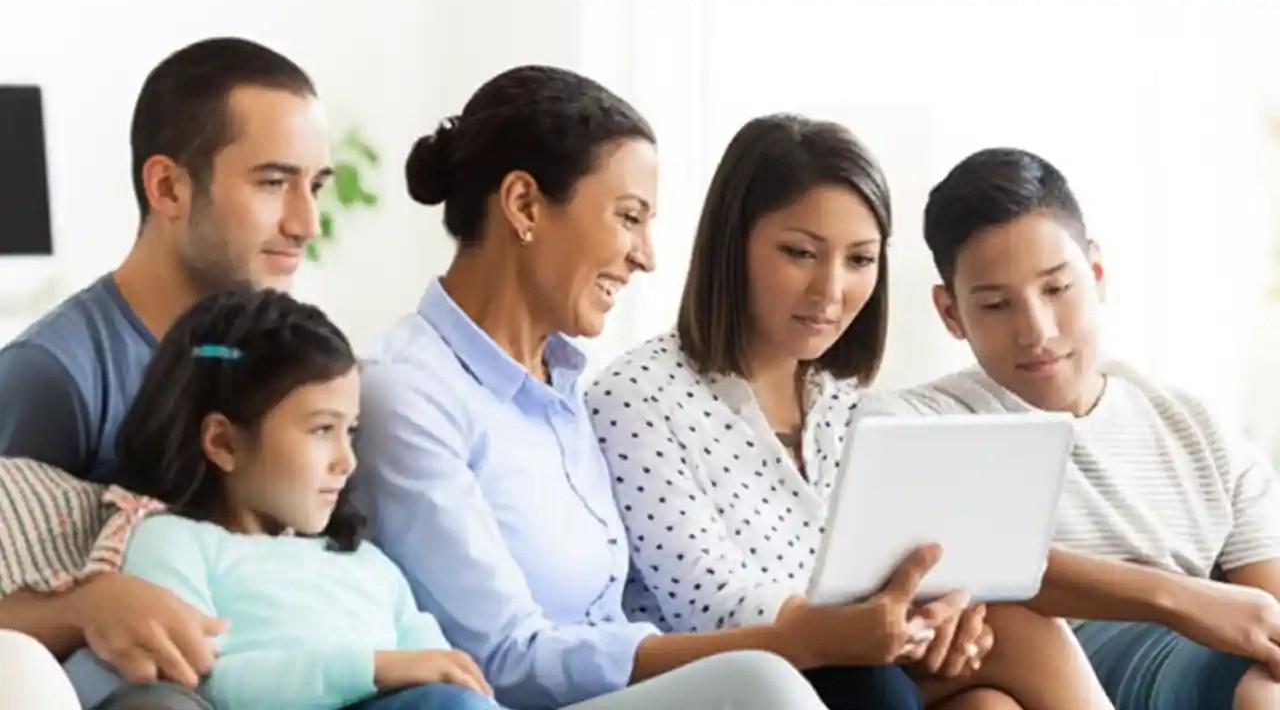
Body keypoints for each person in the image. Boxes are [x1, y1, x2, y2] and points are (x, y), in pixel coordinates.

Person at [350, 65, 896, 710]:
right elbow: (505, 660)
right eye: (629, 218)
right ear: (524, 205)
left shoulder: (561, 390)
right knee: (767, 684)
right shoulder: (408, 394)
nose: (647, 255)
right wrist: (789, 641)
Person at [586, 114, 1112, 710]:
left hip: (853, 660)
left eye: (860, 260)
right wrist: (869, 627)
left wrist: (941, 618)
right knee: (997, 644)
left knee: (987, 698)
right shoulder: (636, 396)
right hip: (736, 680)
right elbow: (712, 605)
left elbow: (892, 573)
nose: (830, 291)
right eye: (800, 253)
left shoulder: (846, 406)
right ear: (732, 243)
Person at [853, 147, 1280, 710]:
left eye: (1057, 289)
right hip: (1020, 674)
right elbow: (948, 556)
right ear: (951, 313)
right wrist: (1175, 596)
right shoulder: (910, 427)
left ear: (1096, 273)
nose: (1038, 331)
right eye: (997, 305)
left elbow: (1262, 620)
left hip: (1188, 675)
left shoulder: (1200, 433)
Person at [0, 37, 332, 706]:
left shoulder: (284, 358)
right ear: (168, 187)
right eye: (273, 182)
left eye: (316, 185)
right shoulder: (52, 375)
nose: (306, 223)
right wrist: (83, 605)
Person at [113, 286, 502, 710]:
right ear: (224, 443)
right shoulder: (174, 543)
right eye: (322, 429)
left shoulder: (368, 565)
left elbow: (447, 673)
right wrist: (374, 669)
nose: (347, 461)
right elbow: (203, 683)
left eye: (350, 431)